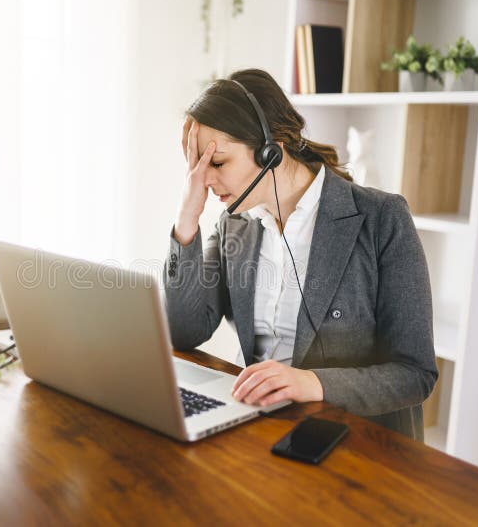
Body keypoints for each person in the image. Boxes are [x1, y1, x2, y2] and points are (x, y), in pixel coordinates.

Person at [163, 68, 438, 441]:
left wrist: (311, 384)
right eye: (197, 167)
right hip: (263, 432)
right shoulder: (236, 225)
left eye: (217, 163)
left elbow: (414, 374)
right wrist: (187, 218)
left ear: (271, 149)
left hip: (355, 445)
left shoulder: (381, 219)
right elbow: (184, 330)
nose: (204, 180)